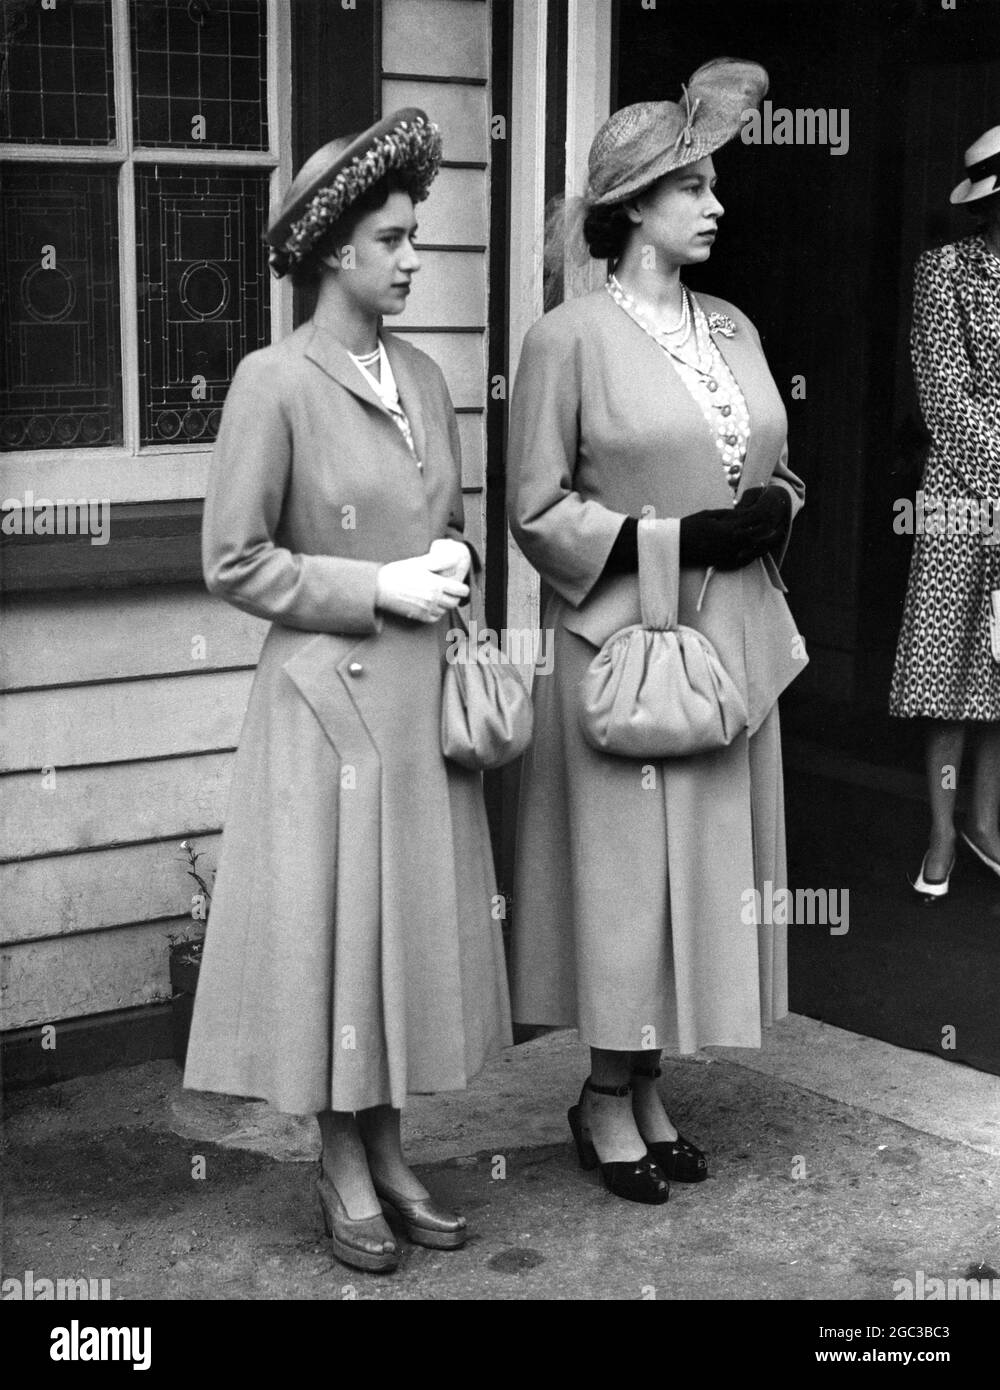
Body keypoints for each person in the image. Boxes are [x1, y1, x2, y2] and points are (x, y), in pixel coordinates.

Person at [183, 110, 512, 1273]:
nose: (414, 257)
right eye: (392, 237)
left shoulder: (423, 372)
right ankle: (338, 1160)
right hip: (326, 710)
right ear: (335, 252)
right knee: (337, 939)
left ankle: (389, 1146)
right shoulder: (272, 381)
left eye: (416, 235)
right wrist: (376, 582)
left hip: (416, 709)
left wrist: (456, 563)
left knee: (397, 938)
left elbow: (451, 525)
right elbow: (234, 559)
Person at [507, 60, 807, 1205]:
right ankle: (600, 1092)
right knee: (629, 881)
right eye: (694, 187)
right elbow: (537, 512)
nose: (717, 205)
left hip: (727, 646)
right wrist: (679, 537)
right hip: (624, 647)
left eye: (714, 185)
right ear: (633, 204)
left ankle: (644, 1088)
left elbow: (764, 466)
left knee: (698, 877)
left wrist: (779, 509)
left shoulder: (732, 323)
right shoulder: (568, 339)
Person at [890, 124, 1000, 901]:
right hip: (963, 496)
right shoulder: (946, 271)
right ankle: (940, 827)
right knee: (950, 664)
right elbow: (944, 394)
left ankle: (985, 823)